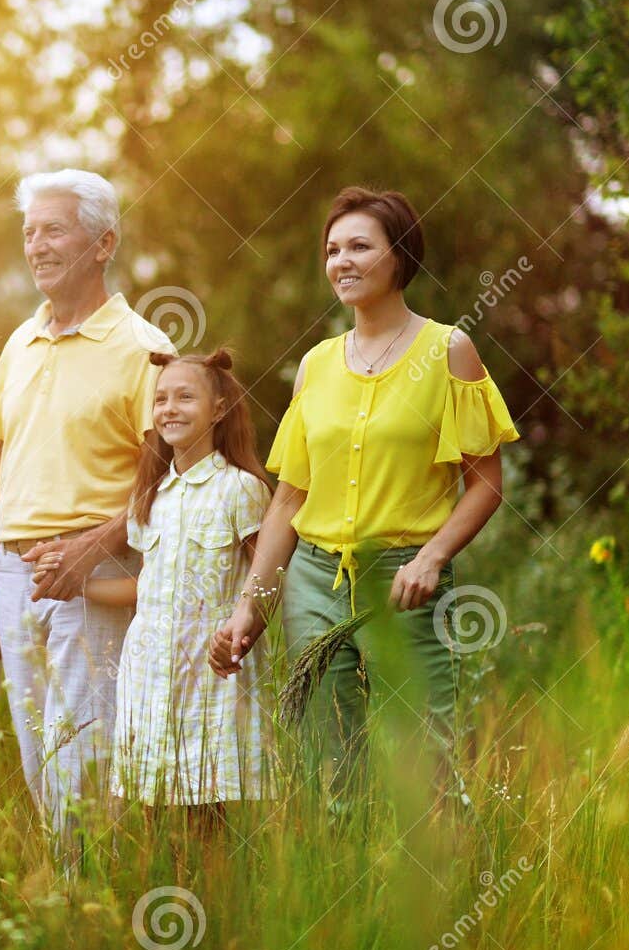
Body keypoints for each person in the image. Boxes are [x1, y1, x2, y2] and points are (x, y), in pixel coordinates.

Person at [211, 186, 520, 821]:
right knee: (330, 767)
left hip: (403, 581)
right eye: (331, 250)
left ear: (400, 255)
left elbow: (486, 482)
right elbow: (289, 499)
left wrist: (432, 557)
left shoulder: (448, 350)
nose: (341, 261)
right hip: (314, 581)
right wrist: (251, 607)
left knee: (424, 765)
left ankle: (442, 903)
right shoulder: (316, 366)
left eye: (359, 246)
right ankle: (342, 903)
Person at [0, 168, 173, 862]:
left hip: (96, 571)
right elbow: (6, 476)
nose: (37, 244)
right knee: (37, 757)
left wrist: (94, 546)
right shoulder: (17, 346)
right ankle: (72, 906)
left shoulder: (144, 346)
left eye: (55, 229)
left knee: (83, 755)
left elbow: (165, 474)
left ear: (103, 241)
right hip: (18, 573)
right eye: (30, 231)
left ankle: (89, 916)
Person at [40, 349, 276, 834]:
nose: (169, 408)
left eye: (185, 397)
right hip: (148, 672)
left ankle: (215, 904)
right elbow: (141, 588)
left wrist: (245, 630)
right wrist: (78, 584)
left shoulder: (242, 489)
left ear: (218, 409)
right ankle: (163, 897)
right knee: (152, 811)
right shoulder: (151, 497)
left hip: (210, 672)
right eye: (161, 399)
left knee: (207, 808)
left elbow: (269, 579)